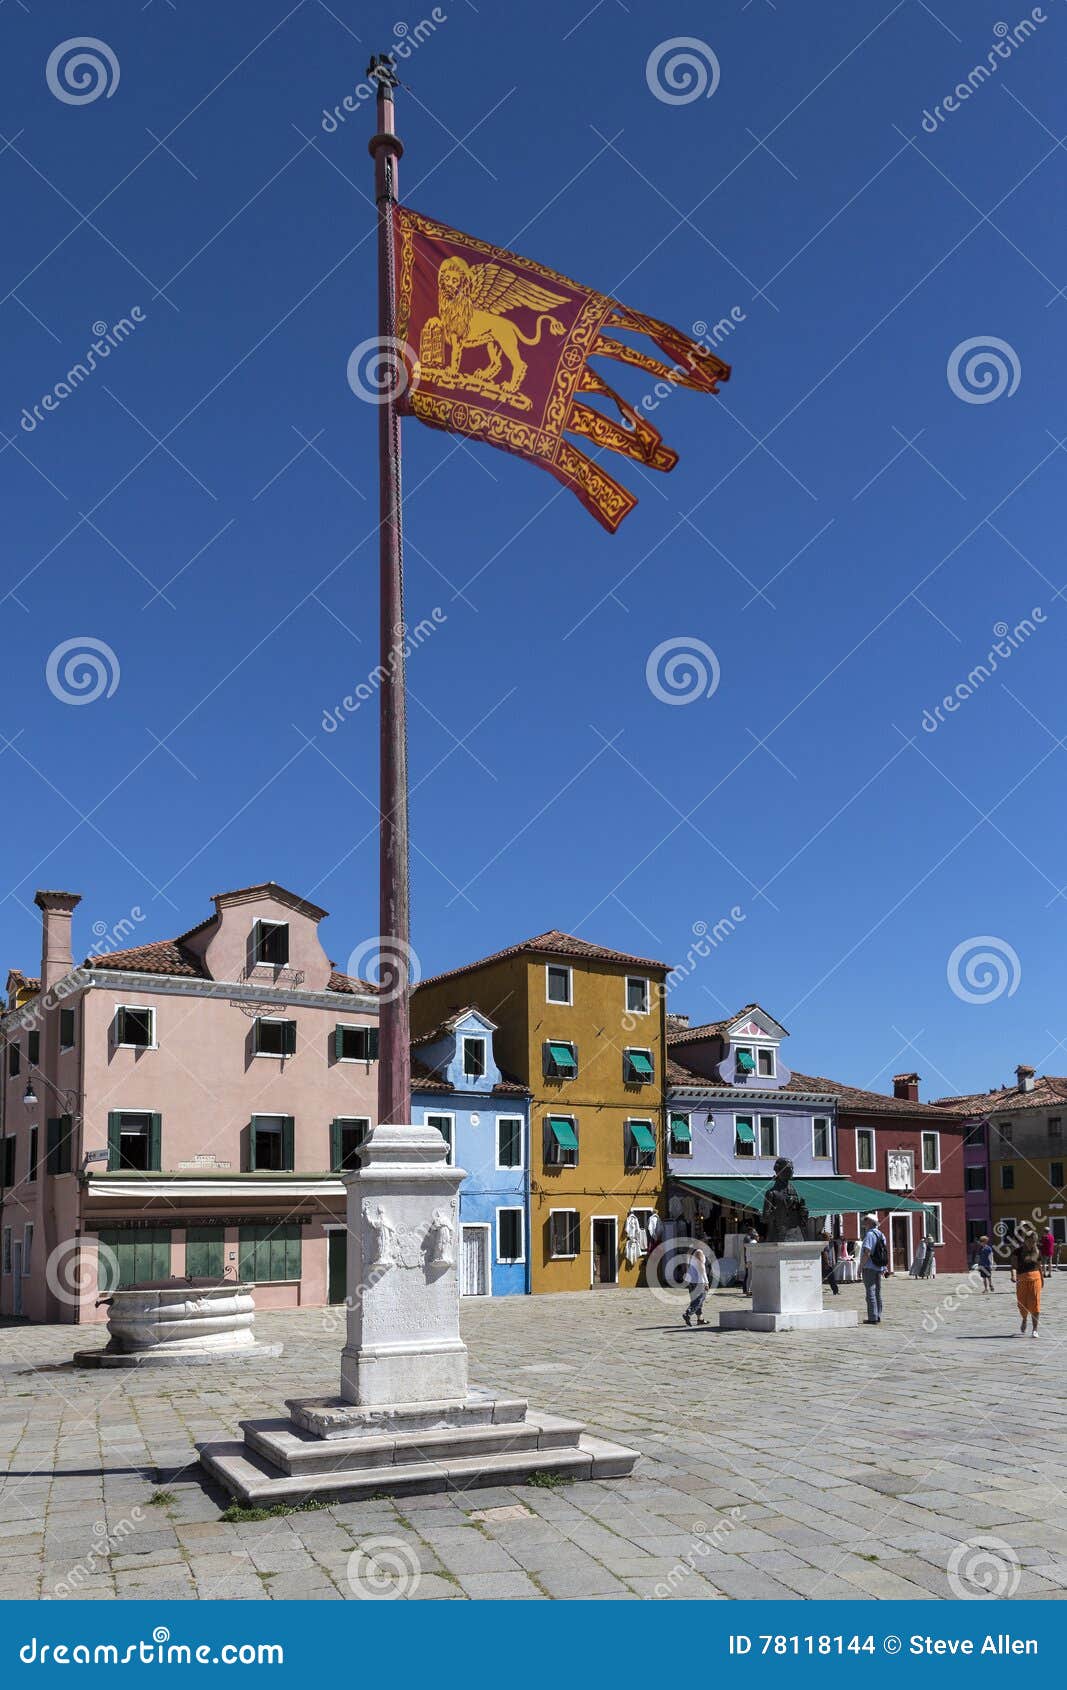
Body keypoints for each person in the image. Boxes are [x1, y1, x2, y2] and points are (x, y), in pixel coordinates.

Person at [1011, 1223, 1043, 1338]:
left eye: (1033, 1241)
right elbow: (1014, 1266)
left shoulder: (1038, 1252)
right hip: (1021, 1279)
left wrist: (1042, 1279)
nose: (1031, 1243)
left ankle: (1035, 1329)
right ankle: (1024, 1319)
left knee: (1035, 1304)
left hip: (1035, 1279)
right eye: (1029, 1241)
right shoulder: (1017, 1252)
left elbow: (1039, 1266)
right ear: (1025, 1240)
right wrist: (1013, 1276)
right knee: (1022, 1304)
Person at [859, 1211, 888, 1324]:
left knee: (870, 1292)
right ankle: (878, 1315)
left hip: (870, 1267)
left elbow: (867, 1252)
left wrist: (860, 1267)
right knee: (877, 1292)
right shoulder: (881, 1234)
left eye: (866, 1221)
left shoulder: (870, 1234)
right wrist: (884, 1266)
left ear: (871, 1222)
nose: (864, 1223)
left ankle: (873, 1317)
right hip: (878, 1266)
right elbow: (883, 1251)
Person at [683, 1244, 710, 1327]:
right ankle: (688, 1313)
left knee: (695, 1300)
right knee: (700, 1299)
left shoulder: (690, 1253)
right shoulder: (699, 1252)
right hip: (699, 1280)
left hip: (691, 1280)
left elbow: (686, 1265)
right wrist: (706, 1281)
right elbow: (701, 1267)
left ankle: (700, 1319)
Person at [821, 1231, 840, 1296]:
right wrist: (827, 1263)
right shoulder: (825, 1244)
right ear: (826, 1237)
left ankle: (835, 1290)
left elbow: (835, 1239)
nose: (830, 1237)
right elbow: (825, 1254)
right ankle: (835, 1291)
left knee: (830, 1278)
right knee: (832, 1278)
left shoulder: (829, 1243)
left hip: (828, 1264)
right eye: (829, 1236)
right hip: (826, 1264)